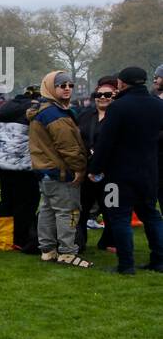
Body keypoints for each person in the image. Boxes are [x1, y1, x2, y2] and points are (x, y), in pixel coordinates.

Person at [87, 66, 163, 275]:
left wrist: (95, 169)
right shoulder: (158, 105)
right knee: (151, 215)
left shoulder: (118, 107)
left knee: (118, 217)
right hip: (148, 172)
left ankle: (126, 264)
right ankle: (159, 260)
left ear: (122, 83)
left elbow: (106, 142)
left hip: (118, 175)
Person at [28, 71, 90, 267]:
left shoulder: (44, 110)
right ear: (49, 87)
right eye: (61, 85)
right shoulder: (55, 114)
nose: (67, 88)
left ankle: (47, 250)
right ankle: (67, 252)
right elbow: (69, 147)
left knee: (47, 210)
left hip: (46, 171)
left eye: (70, 85)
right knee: (68, 211)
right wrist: (79, 168)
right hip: (60, 172)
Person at [0, 84, 42, 253]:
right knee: (27, 201)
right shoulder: (32, 110)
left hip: (2, 161)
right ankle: (21, 239)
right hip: (23, 164)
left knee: (6, 201)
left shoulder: (5, 108)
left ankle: (3, 239)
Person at [75, 78, 118, 254]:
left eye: (107, 95)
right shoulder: (85, 115)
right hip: (86, 170)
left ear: (115, 96)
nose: (102, 98)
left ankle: (110, 241)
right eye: (99, 94)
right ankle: (79, 240)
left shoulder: (119, 116)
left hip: (111, 172)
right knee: (82, 208)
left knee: (111, 208)